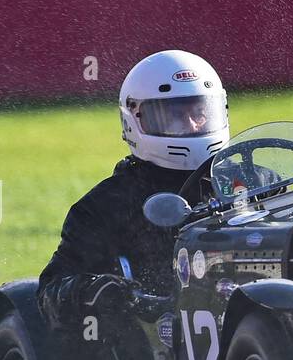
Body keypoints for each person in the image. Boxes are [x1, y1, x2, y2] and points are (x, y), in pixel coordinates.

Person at [37, 50, 229, 330]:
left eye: (199, 113)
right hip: (151, 349)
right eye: (174, 115)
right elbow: (50, 291)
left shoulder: (253, 182)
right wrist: (98, 292)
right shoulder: (105, 205)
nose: (190, 125)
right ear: (133, 120)